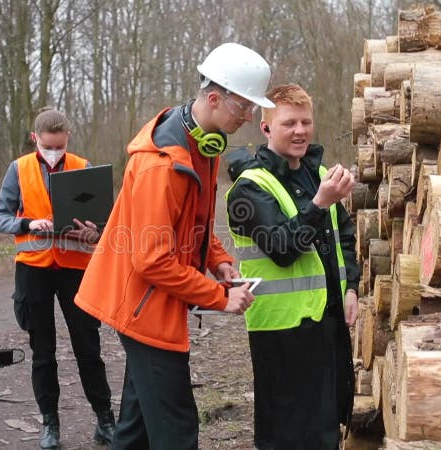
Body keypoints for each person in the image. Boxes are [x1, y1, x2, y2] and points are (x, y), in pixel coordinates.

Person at [74, 42, 273, 450]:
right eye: (245, 107)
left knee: (136, 429)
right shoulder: (162, 165)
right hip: (142, 305)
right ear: (214, 98)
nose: (251, 116)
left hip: (155, 300)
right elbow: (152, 261)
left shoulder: (205, 143)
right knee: (177, 430)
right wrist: (220, 297)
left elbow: (196, 222)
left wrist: (218, 260)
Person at [225, 83, 360, 450]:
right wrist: (319, 203)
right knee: (285, 434)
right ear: (266, 128)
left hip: (326, 322)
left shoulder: (321, 175)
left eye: (306, 122)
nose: (300, 131)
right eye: (289, 123)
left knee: (326, 427)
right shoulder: (249, 188)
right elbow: (282, 248)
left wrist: (350, 288)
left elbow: (343, 237)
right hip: (281, 330)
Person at [0, 107, 115, 449]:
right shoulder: (18, 169)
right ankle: (50, 425)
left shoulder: (84, 167)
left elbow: (105, 221)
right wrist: (26, 224)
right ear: (35, 139)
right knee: (42, 352)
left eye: (59, 147)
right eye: (48, 147)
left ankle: (106, 421)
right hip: (33, 270)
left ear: (68, 139)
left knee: (89, 348)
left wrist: (96, 232)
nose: (54, 153)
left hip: (76, 270)